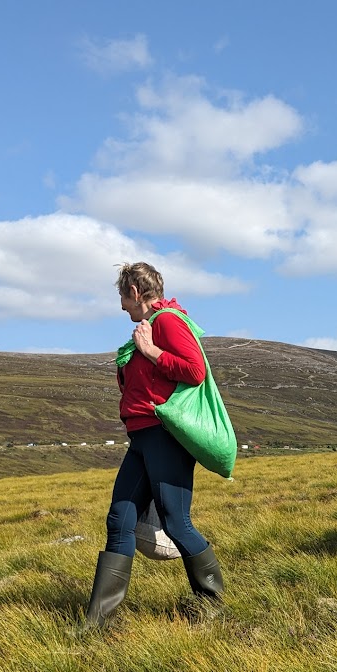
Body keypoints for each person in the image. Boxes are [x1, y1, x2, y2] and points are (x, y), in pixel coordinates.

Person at [85, 262, 225, 626]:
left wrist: (149, 352)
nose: (121, 306)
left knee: (177, 523)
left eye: (122, 296)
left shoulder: (167, 322)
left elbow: (194, 371)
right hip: (143, 437)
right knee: (119, 520)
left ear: (135, 292)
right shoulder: (150, 326)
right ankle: (99, 623)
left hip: (163, 436)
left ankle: (213, 608)